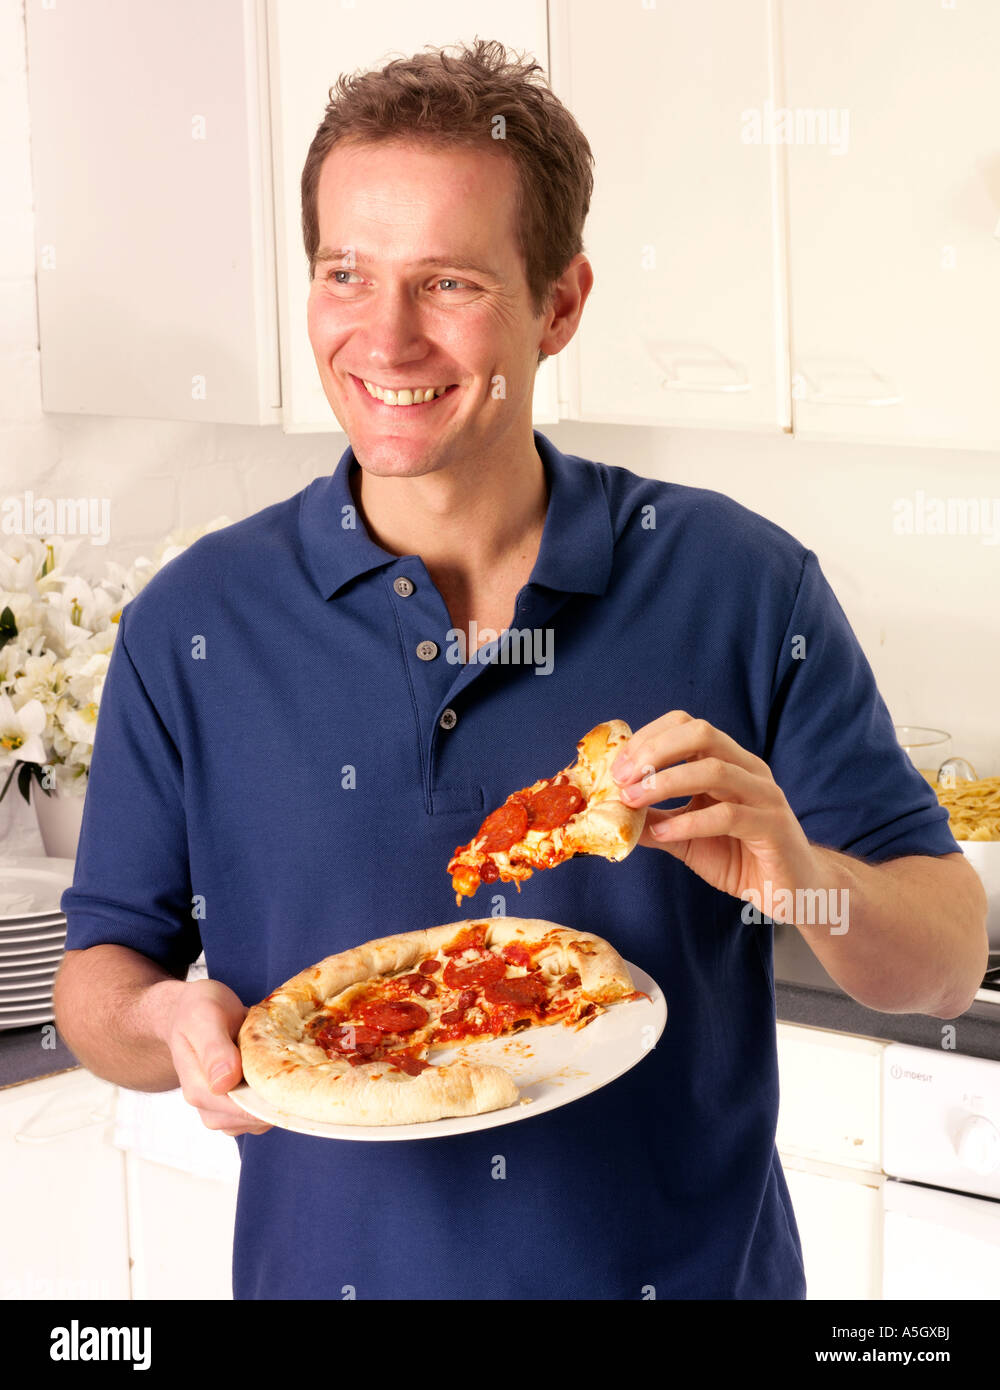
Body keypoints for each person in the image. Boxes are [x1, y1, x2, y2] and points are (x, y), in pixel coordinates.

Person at [54, 39, 986, 1300]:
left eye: (446, 282)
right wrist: (167, 1025)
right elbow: (102, 975)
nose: (384, 336)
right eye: (345, 273)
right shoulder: (196, 620)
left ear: (559, 304)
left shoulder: (737, 582)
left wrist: (803, 880)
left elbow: (939, 961)